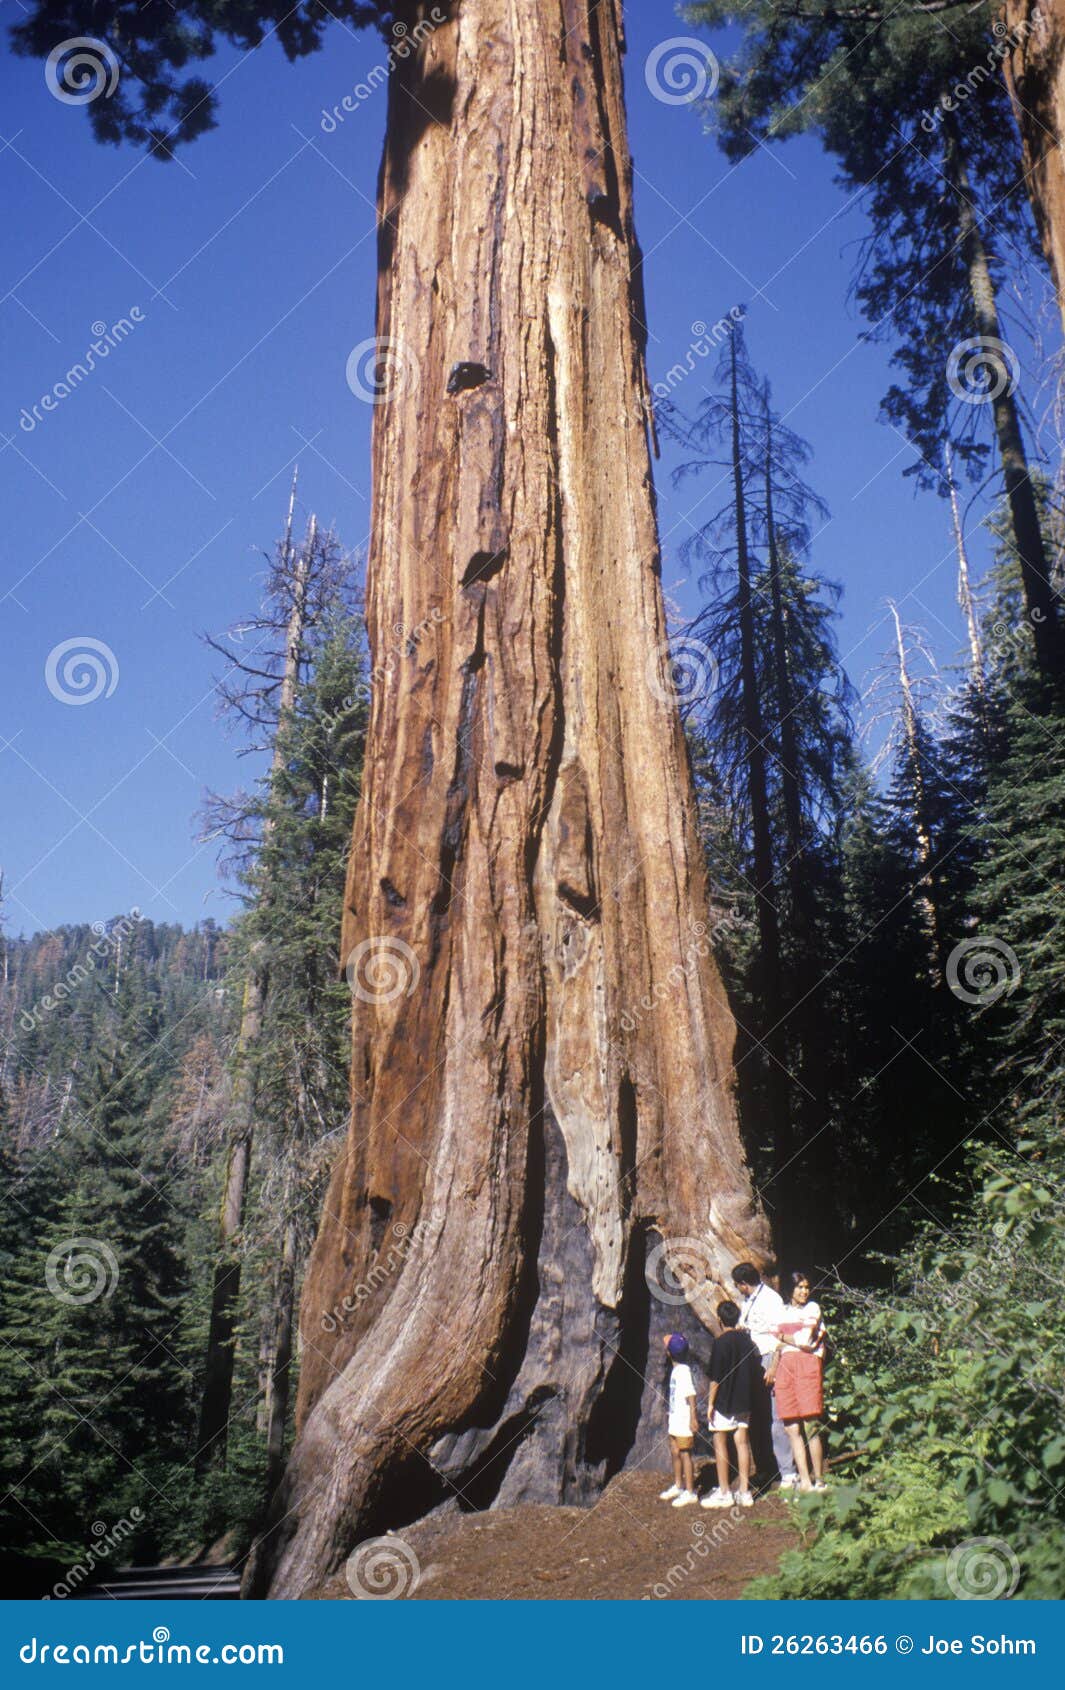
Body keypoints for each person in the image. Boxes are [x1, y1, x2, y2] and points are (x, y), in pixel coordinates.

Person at [732, 1261, 798, 1488]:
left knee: (776, 1417)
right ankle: (765, 1469)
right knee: (757, 1418)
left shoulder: (771, 1300)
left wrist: (773, 1368)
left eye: (737, 1285)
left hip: (769, 1358)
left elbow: (780, 1337)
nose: (738, 1289)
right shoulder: (747, 1300)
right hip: (752, 1360)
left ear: (743, 1284)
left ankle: (788, 1472)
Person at [766, 1271, 827, 1492]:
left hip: (807, 1365)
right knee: (791, 1427)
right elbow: (773, 1341)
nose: (804, 1291)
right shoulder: (780, 1311)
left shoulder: (812, 1308)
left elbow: (805, 1341)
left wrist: (782, 1337)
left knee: (810, 1424)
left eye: (806, 1287)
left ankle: (819, 1479)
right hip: (785, 1368)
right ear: (790, 1290)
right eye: (799, 1287)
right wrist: (776, 1359)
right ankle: (805, 1480)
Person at [702, 1300, 761, 1508]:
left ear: (719, 1320)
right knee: (742, 1443)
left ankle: (725, 1492)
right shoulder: (747, 1340)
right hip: (744, 1400)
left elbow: (715, 1378)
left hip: (724, 1402)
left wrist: (710, 1404)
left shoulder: (720, 1342)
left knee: (720, 1444)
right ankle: (744, 1492)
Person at [659, 1333, 699, 1507]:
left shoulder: (684, 1371)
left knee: (685, 1454)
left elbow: (691, 1395)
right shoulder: (676, 1370)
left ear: (669, 1353)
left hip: (684, 1420)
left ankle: (690, 1491)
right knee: (675, 1451)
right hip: (675, 1418)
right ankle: (678, 1485)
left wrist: (693, 1417)